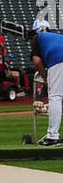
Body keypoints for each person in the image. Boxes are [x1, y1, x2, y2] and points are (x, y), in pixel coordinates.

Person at [30, 17, 63, 146]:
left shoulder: (37, 38)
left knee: (55, 97)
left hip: (58, 59)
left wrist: (45, 78)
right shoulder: (57, 36)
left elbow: (37, 62)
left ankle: (52, 136)